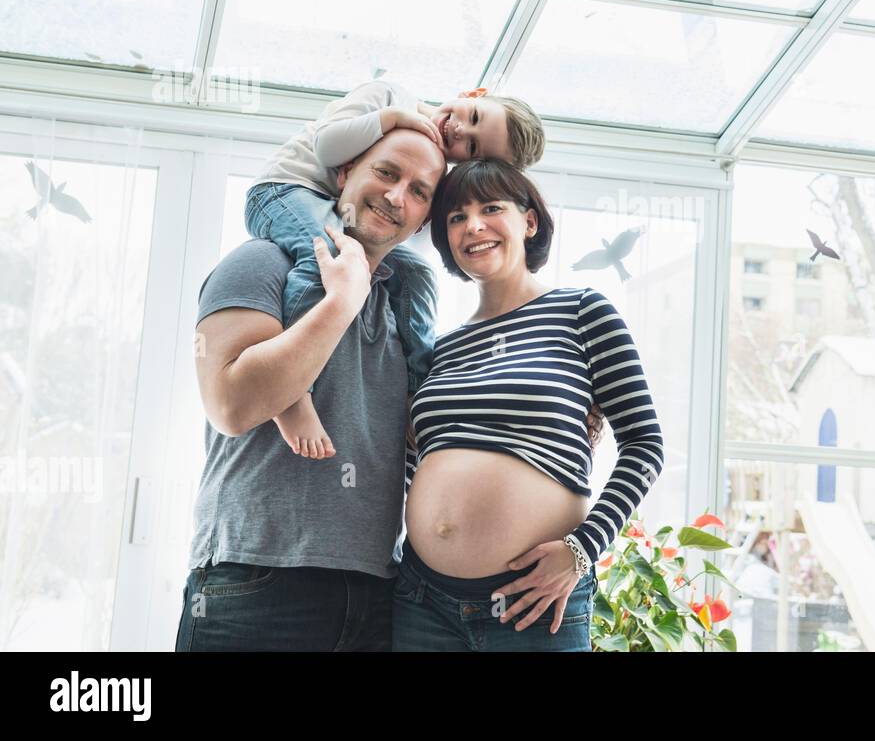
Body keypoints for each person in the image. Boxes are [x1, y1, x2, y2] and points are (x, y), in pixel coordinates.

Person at [176, 126, 446, 651]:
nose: (396, 196)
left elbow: (421, 434)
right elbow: (233, 405)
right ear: (344, 173)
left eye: (420, 191)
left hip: (376, 591)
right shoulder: (260, 262)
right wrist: (341, 302)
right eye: (386, 172)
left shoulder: (406, 303)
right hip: (254, 582)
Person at [392, 158, 666, 652]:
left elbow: (645, 446)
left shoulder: (583, 312)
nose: (473, 226)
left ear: (529, 221)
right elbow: (418, 459)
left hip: (533, 605)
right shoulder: (442, 347)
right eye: (456, 217)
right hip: (422, 600)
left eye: (491, 208)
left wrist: (582, 550)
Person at [243, 80, 546, 459]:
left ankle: (417, 393)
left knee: (417, 275)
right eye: (473, 117)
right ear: (473, 95)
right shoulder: (388, 97)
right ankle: (293, 395)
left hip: (332, 209)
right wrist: (392, 117)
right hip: (284, 192)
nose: (459, 129)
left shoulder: (431, 158)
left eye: (471, 146)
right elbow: (327, 146)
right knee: (327, 259)